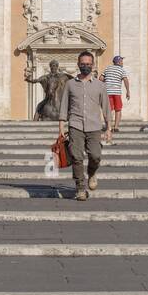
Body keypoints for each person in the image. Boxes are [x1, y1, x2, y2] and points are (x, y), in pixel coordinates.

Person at [57, 50, 110, 202]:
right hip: (75, 124)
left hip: (94, 126)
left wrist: (109, 128)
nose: (85, 66)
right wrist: (61, 126)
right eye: (82, 64)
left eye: (88, 64)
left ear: (92, 65)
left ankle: (92, 172)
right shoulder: (70, 84)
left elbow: (106, 107)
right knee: (76, 156)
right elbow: (64, 105)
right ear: (78, 65)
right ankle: (80, 188)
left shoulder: (100, 86)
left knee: (95, 155)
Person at [101, 55, 130, 143]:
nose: (122, 62)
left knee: (108, 110)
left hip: (107, 92)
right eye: (121, 61)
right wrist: (128, 91)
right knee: (118, 110)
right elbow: (125, 80)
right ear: (118, 62)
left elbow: (100, 78)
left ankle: (108, 126)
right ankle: (116, 127)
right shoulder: (121, 70)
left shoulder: (107, 68)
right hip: (116, 92)